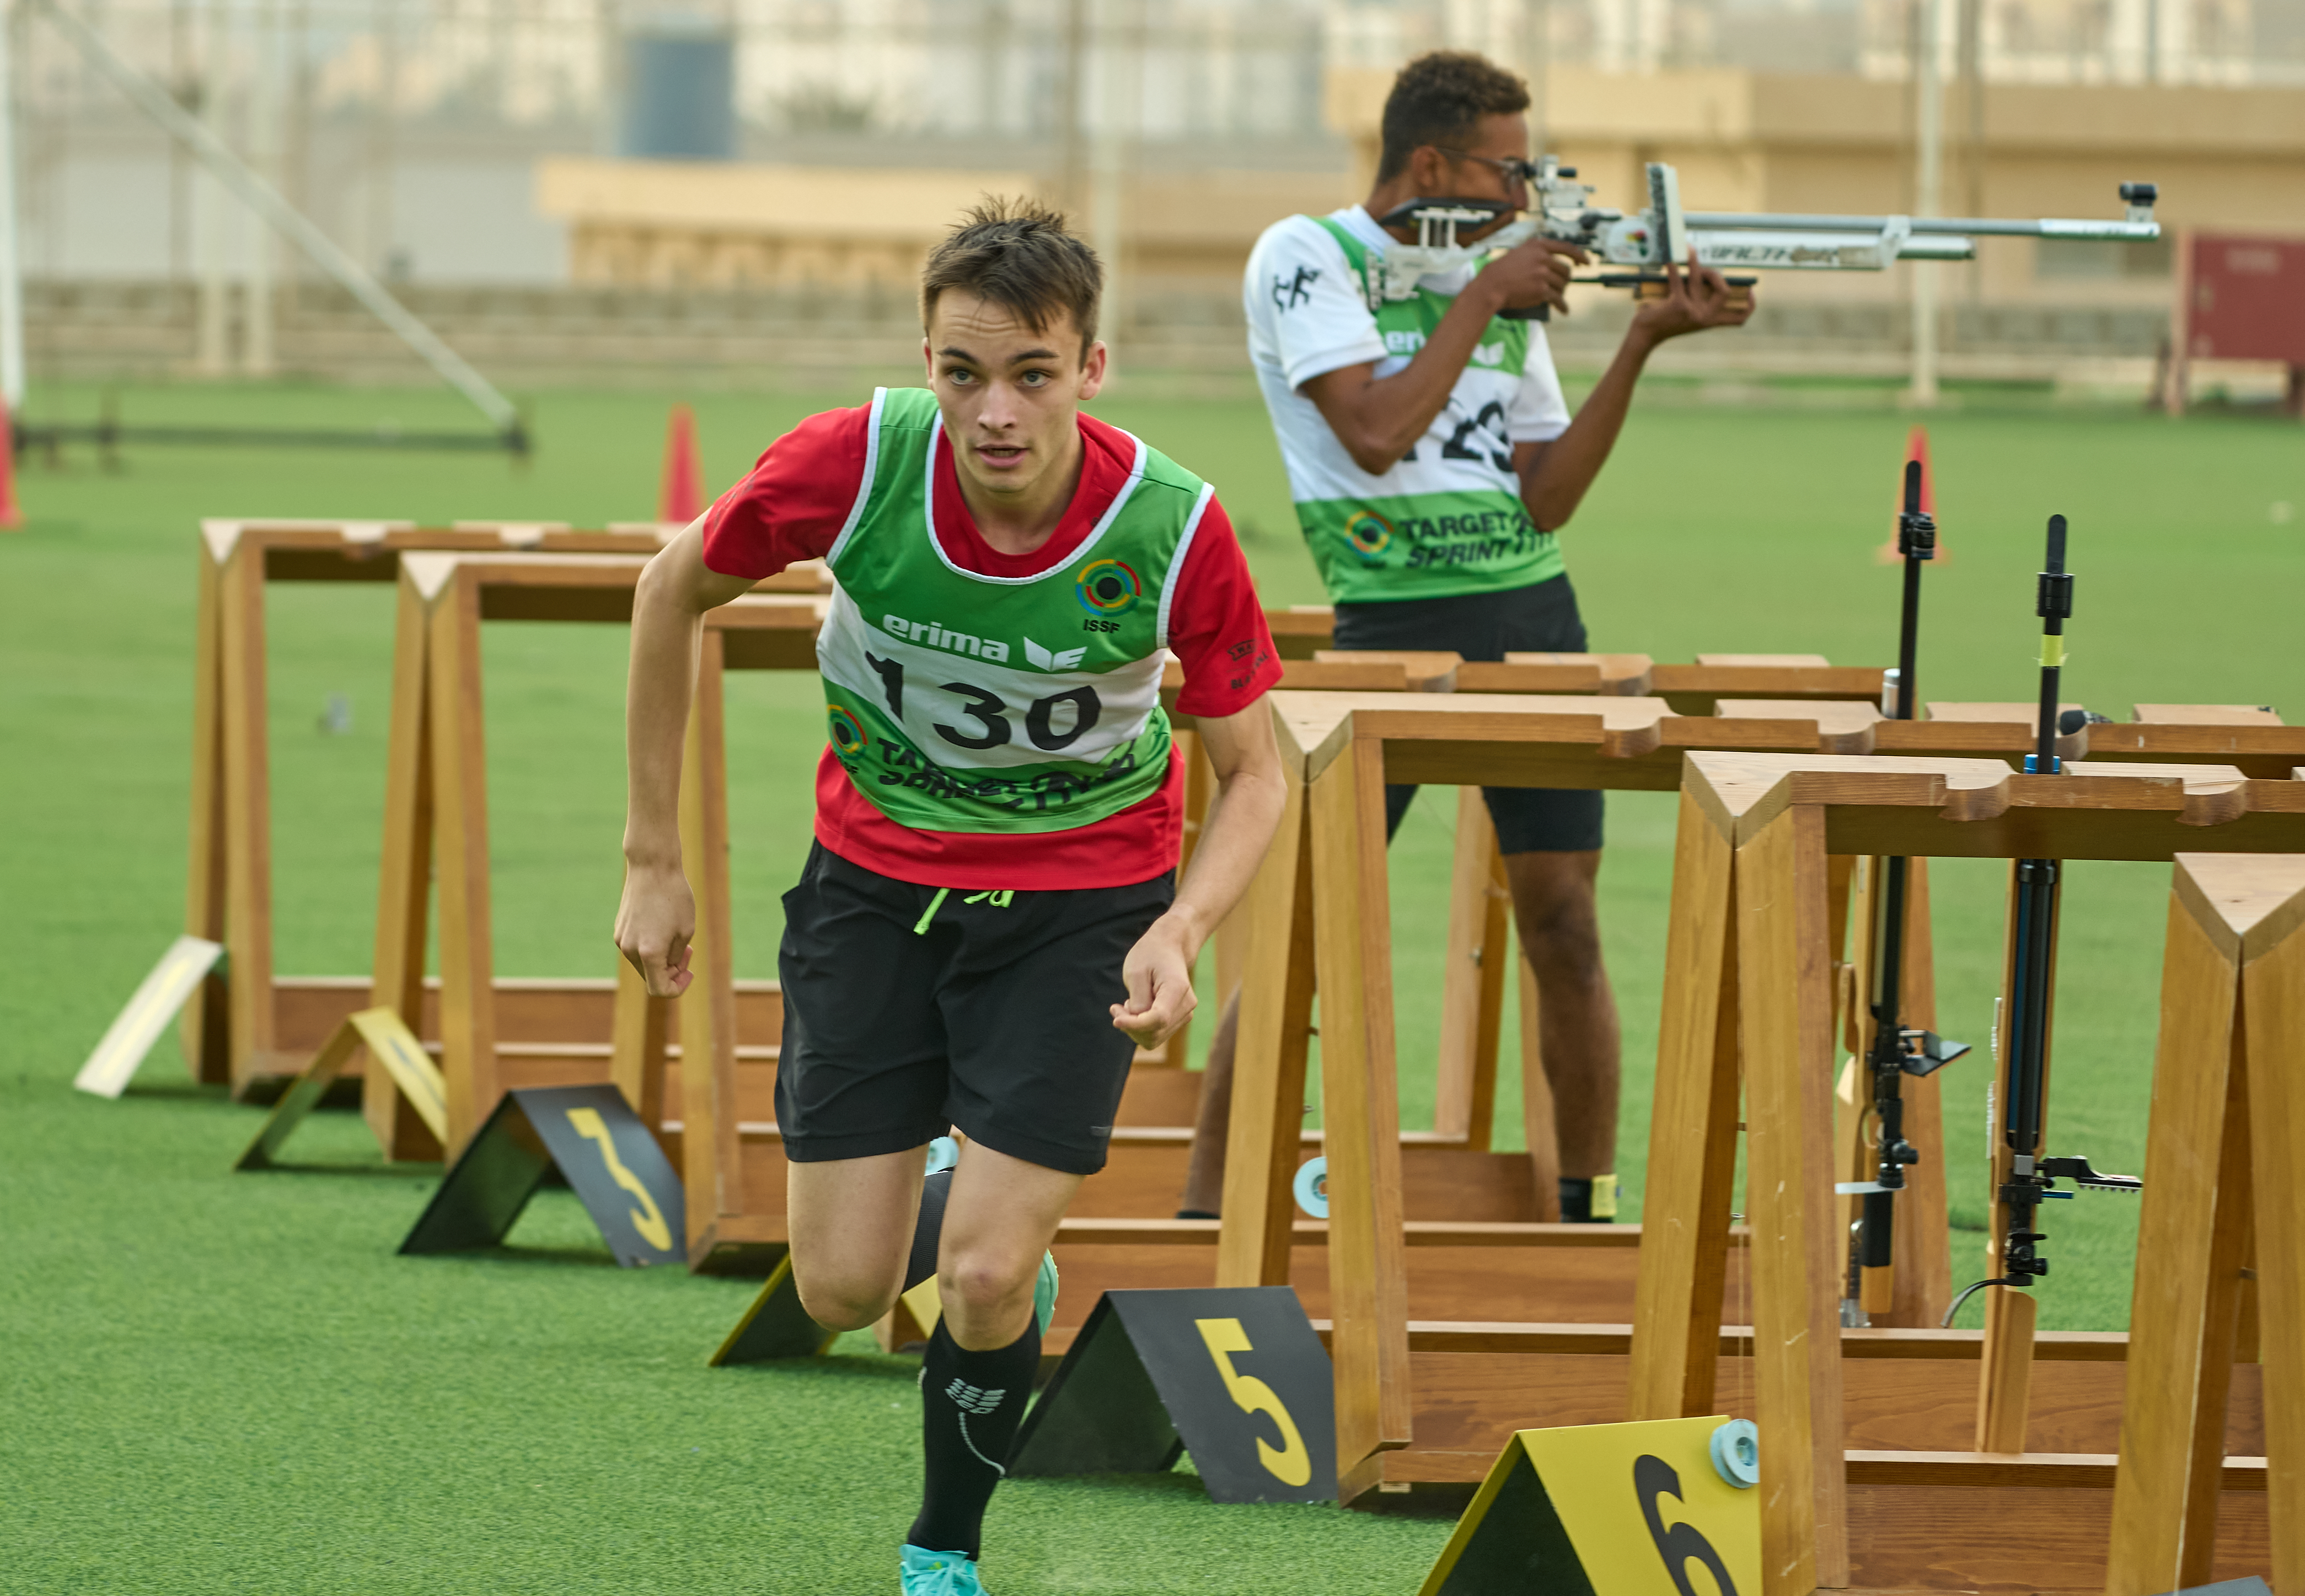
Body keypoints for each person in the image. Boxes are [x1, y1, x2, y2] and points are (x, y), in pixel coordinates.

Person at [614, 198, 1286, 1596]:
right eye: (961, 373)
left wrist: (1181, 925)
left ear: (1089, 370)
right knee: (841, 1292)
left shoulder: (1171, 529)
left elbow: (1258, 774)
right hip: (875, 889)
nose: (995, 413)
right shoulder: (850, 466)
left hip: (1083, 905)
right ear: (925, 360)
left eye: (1032, 375)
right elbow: (668, 590)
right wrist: (652, 859)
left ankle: (943, 1549)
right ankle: (945, 1185)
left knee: (979, 1280)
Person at [1177, 50, 1752, 1224]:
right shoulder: (1309, 256)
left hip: (1533, 615)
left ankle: (1583, 1213)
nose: (1522, 195)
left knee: (1565, 920)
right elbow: (1374, 432)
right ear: (1429, 161)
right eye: (1506, 168)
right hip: (1385, 626)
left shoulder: (1489, 276)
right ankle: (1204, 1210)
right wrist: (1485, 292)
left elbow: (1540, 498)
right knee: (1297, 934)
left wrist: (1638, 340)